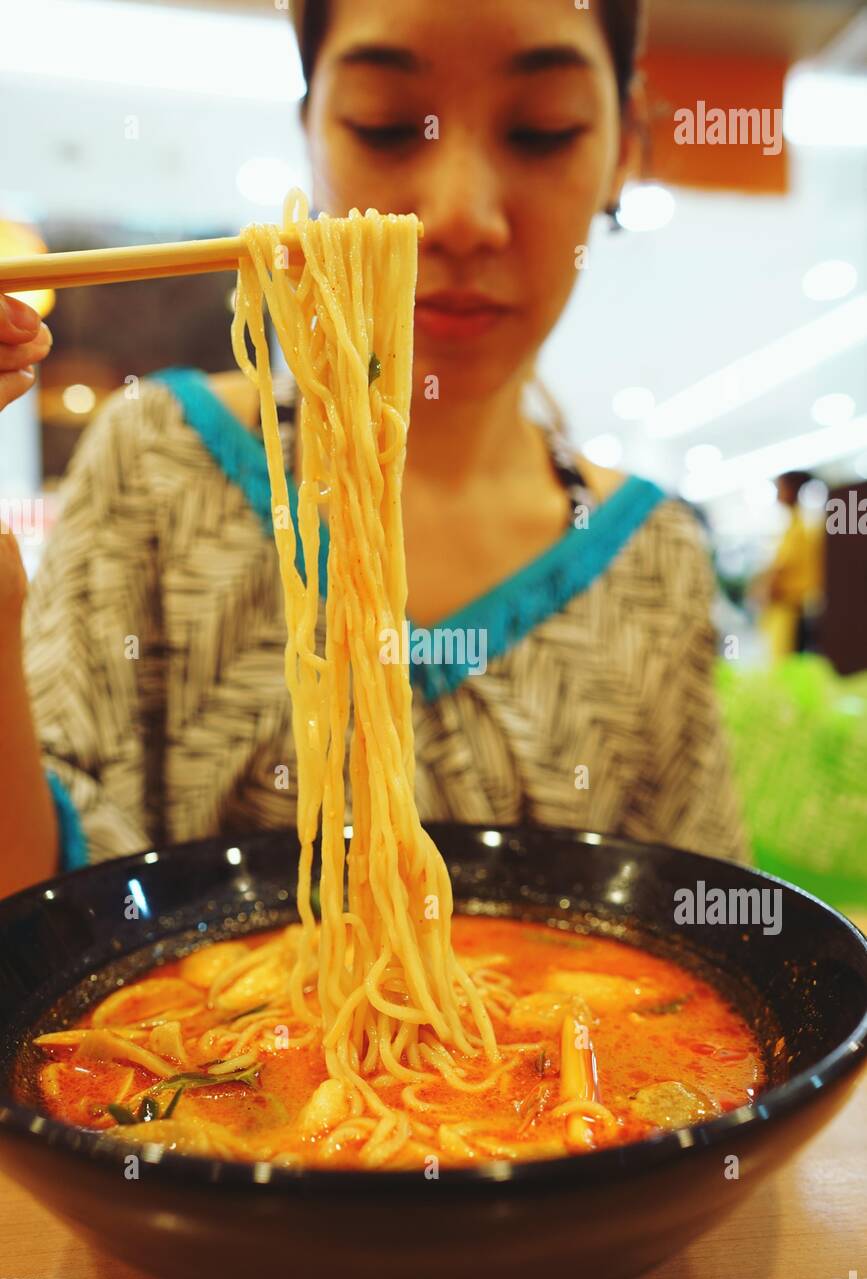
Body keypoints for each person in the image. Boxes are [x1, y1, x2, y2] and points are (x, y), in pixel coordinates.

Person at [0, 0, 748, 900]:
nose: (459, 215)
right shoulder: (157, 461)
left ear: (623, 147)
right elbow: (41, 912)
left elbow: (711, 939)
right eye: (387, 126)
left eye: (541, 131)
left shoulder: (651, 558)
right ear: (311, 130)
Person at [752, 472, 825, 663]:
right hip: (789, 608)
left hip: (790, 609)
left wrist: (763, 591)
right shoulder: (795, 524)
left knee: (786, 663)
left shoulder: (798, 528)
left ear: (792, 491)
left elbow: (781, 569)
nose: (777, 494)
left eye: (780, 488)